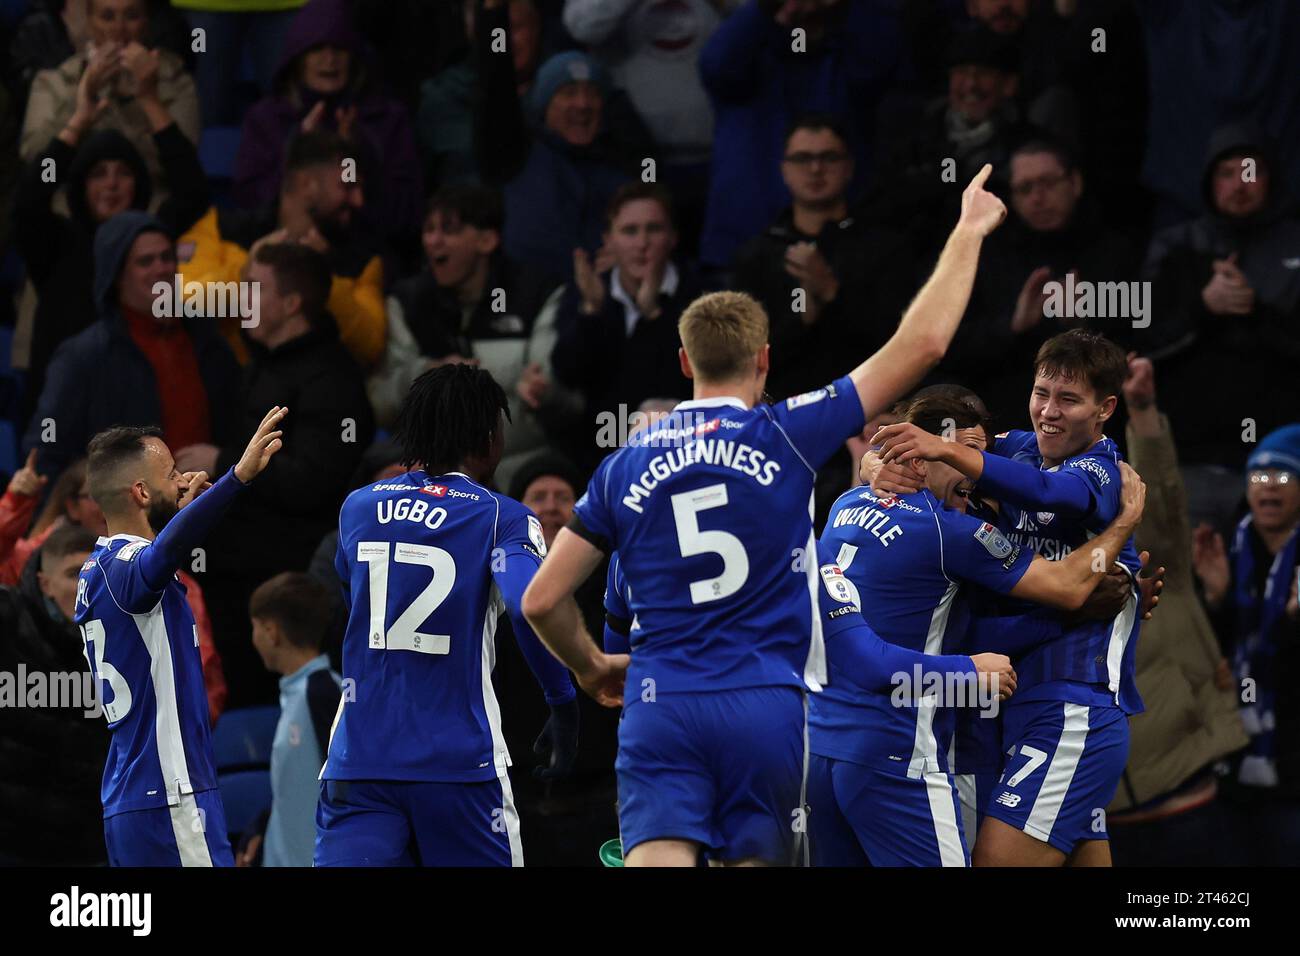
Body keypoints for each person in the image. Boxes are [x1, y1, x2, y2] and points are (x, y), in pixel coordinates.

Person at [520, 165, 1008, 867]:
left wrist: (594, 666)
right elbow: (922, 346)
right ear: (765, 360)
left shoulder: (623, 466)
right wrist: (966, 231)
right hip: (764, 705)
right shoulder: (787, 432)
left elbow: (541, 598)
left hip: (660, 703)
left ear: (685, 360)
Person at [810, 391, 1145, 866]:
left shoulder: (846, 502)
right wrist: (1125, 524)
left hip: (821, 747)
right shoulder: (952, 532)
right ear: (922, 454)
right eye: (958, 454)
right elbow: (1070, 587)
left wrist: (871, 463)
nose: (975, 470)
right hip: (898, 752)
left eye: (977, 456)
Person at [315, 364, 583, 867]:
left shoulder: (357, 507)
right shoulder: (503, 516)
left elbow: (354, 601)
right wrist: (562, 702)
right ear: (489, 439)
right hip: (461, 763)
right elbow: (531, 609)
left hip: (359, 760)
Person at [75, 407, 287, 866]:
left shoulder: (96, 571)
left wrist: (182, 512)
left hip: (133, 801)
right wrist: (238, 477)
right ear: (141, 492)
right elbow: (163, 552)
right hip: (170, 795)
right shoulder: (129, 567)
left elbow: (163, 552)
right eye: (171, 474)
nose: (186, 479)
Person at [174, 241, 374, 708]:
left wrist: (222, 462)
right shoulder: (259, 362)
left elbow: (313, 484)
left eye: (252, 288)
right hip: (233, 574)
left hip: (285, 579)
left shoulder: (332, 380)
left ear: (290, 304)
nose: (239, 299)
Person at [1104, 355, 1249, 866]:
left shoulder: (1157, 566)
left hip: (1190, 806)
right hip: (1098, 825)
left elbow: (1162, 502)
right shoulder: (1041, 580)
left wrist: (1142, 412)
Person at [367, 183, 576, 488]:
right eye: (429, 229)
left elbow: (568, 402)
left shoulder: (536, 294)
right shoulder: (408, 302)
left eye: (449, 230)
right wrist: (423, 374)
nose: (433, 241)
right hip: (434, 476)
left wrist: (542, 391)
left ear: (487, 240)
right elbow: (379, 403)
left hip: (522, 471)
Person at [21, 210, 242, 481]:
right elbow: (46, 450)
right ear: (117, 276)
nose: (161, 268)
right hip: (121, 518)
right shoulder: (83, 356)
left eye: (167, 257)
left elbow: (239, 427)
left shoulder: (207, 340)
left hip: (208, 507)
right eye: (145, 261)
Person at [1140, 124, 1300, 468]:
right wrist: (1203, 307)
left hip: (1282, 447)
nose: (1240, 185)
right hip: (1191, 449)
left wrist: (1254, 309)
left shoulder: (1294, 244)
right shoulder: (1177, 246)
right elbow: (1143, 340)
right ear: (1210, 183)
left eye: (1250, 172)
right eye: (1227, 173)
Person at [732, 113, 911, 400]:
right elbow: (743, 361)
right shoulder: (758, 255)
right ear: (784, 170)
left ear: (849, 167)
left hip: (870, 412)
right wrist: (804, 316)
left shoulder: (884, 246)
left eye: (829, 158)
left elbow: (901, 341)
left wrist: (831, 290)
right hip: (781, 415)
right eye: (802, 159)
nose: (815, 169)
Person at [180, 129, 386, 371]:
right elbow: (180, 301)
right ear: (306, 183)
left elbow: (371, 346)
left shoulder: (360, 260)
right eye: (348, 186)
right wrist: (249, 271)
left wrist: (320, 276)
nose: (358, 200)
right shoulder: (220, 228)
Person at [232, 0, 423, 247]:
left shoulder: (386, 118)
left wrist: (355, 156)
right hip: (285, 252)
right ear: (298, 57)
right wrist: (298, 151)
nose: (329, 59)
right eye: (317, 49)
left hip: (366, 259)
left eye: (339, 49)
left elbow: (406, 216)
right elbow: (250, 204)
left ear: (354, 57)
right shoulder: (268, 119)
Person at [1193, 423, 1300, 864]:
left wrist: (1295, 622)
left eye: (1281, 476)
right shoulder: (1231, 549)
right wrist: (1216, 601)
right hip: (1230, 760)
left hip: (1293, 769)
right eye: (1258, 477)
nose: (1267, 488)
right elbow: (1214, 658)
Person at [551, 181, 699, 464]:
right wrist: (591, 312)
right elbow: (566, 373)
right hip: (600, 456)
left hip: (682, 454)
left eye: (654, 229)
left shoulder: (699, 296)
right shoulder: (586, 291)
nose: (642, 243)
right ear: (609, 240)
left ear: (673, 237)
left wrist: (654, 314)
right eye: (630, 231)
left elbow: (692, 380)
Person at [0, 523, 109, 865]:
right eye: (74, 574)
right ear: (45, 584)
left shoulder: (124, 637)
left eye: (93, 574)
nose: (84, 586)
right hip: (14, 834)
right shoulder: (8, 622)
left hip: (91, 832)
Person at [20, 0, 200, 202]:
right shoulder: (54, 81)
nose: (119, 29)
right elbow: (41, 171)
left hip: (151, 212)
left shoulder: (176, 80)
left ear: (146, 23)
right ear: (90, 23)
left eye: (131, 16)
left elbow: (184, 176)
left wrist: (149, 99)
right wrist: (79, 104)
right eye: (107, 17)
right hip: (70, 213)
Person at [236, 572, 342, 868]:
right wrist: (263, 827)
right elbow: (295, 790)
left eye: (255, 627)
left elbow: (345, 789)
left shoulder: (323, 693)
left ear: (271, 632)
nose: (253, 637)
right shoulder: (297, 693)